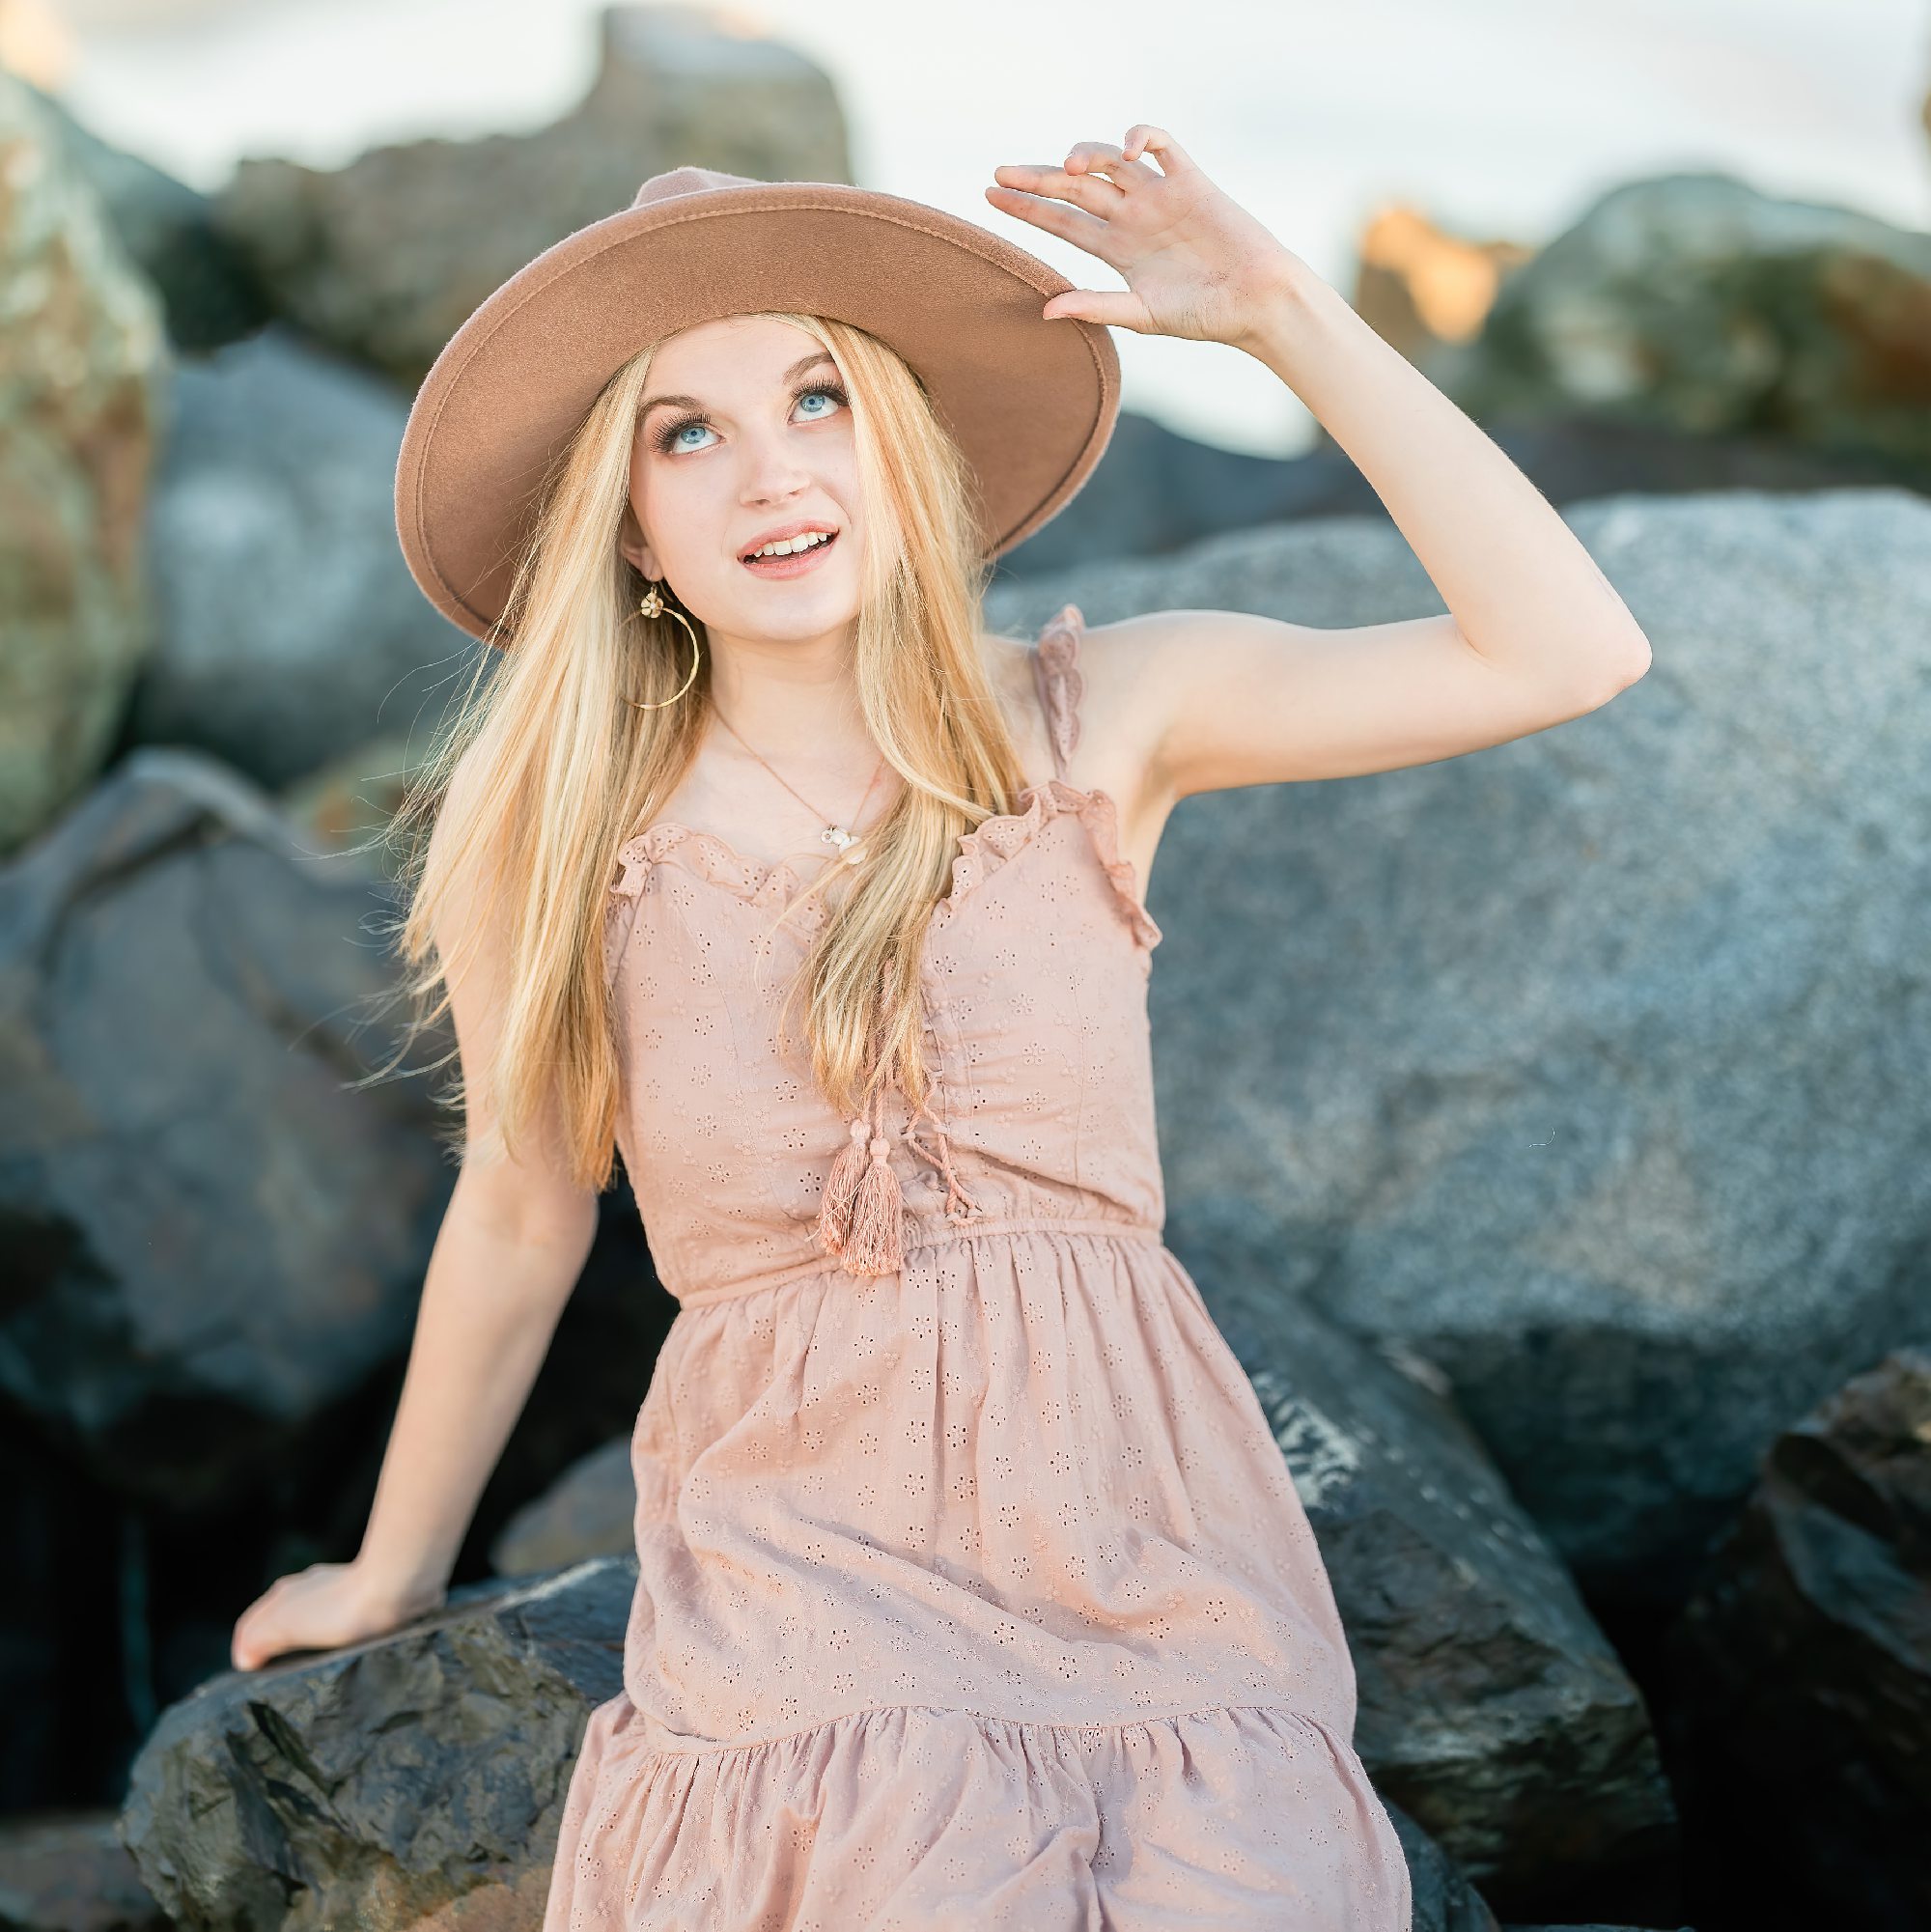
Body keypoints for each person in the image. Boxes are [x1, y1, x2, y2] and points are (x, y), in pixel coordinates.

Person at [229, 126, 1650, 1928]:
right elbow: (521, 1205)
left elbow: (1566, 651)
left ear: (902, 445)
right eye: (691, 432)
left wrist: (1288, 316)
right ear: (637, 531)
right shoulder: (570, 840)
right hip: (808, 1552)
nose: (772, 470)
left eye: (820, 398)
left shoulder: (1096, 721)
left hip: (1144, 1531)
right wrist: (388, 1566)